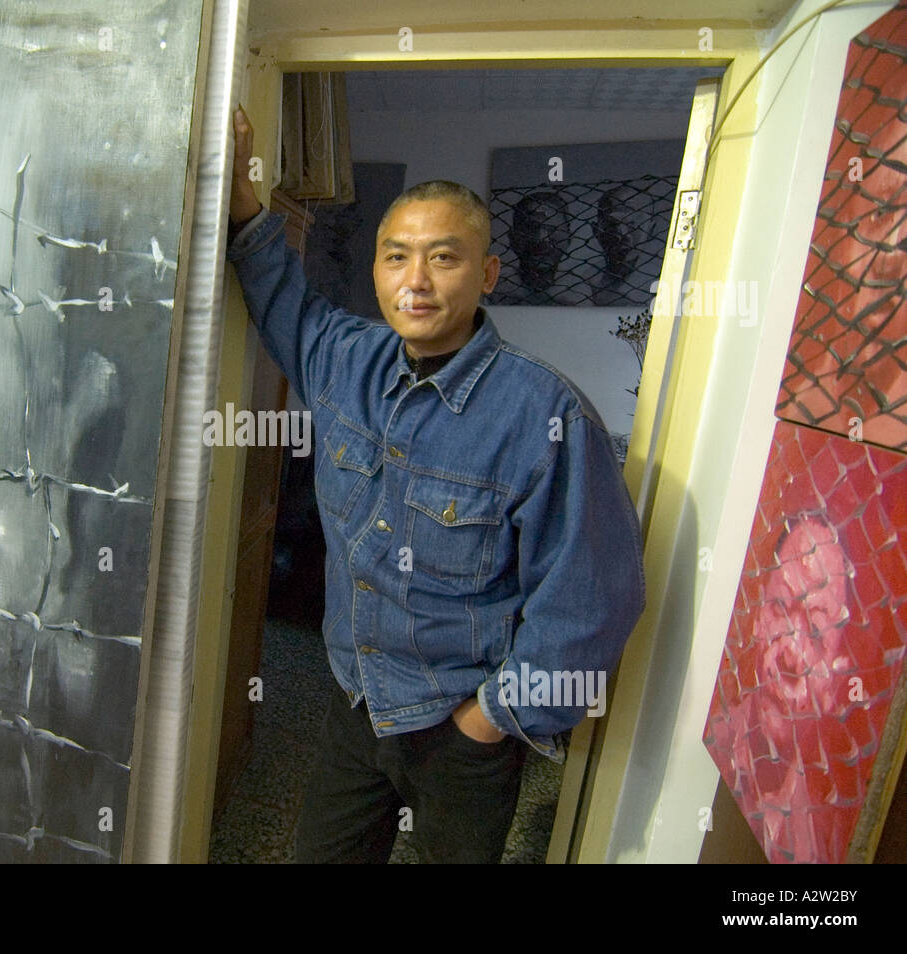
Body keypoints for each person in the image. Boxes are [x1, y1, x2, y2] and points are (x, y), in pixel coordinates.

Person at [225, 106, 646, 863]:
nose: (415, 281)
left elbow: (593, 599)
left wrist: (490, 717)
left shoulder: (545, 415)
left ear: (486, 273)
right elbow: (279, 295)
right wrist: (240, 189)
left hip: (464, 733)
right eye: (396, 256)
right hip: (358, 703)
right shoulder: (344, 358)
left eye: (444, 258)